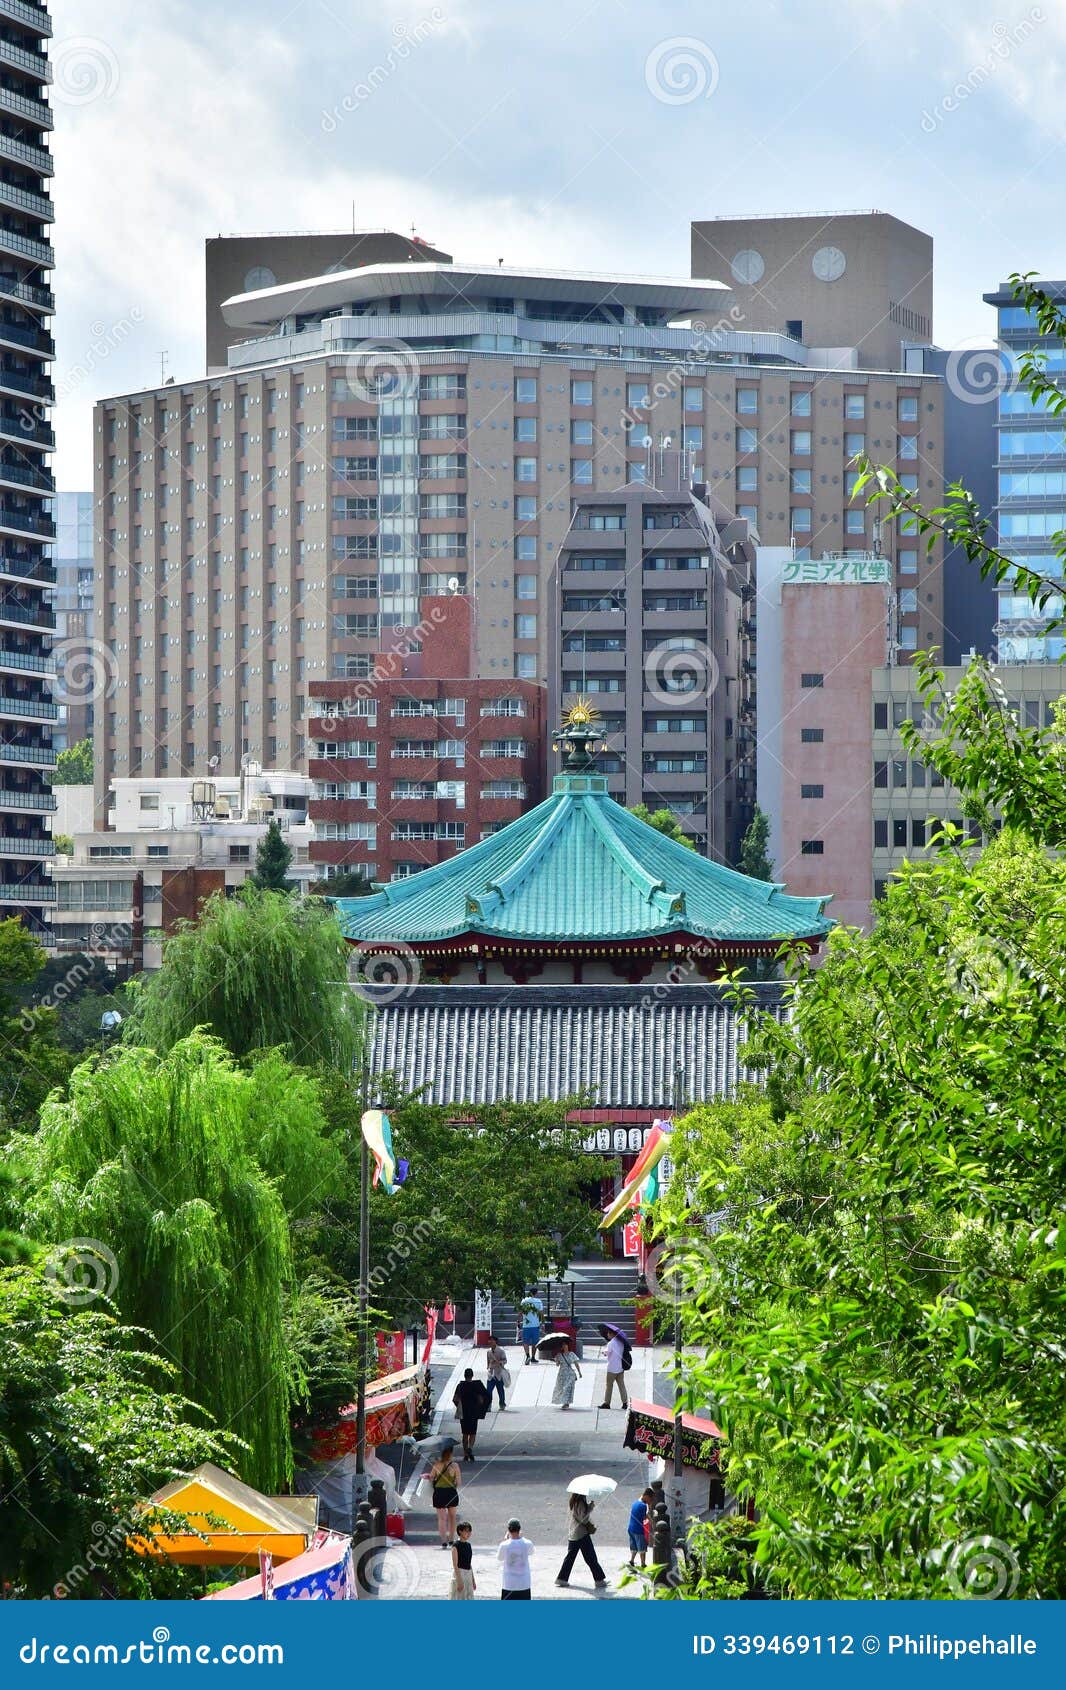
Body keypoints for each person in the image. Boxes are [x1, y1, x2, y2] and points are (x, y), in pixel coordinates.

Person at [555, 1492, 607, 1589]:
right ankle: (599, 1580)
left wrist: (587, 1506)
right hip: (581, 1534)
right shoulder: (580, 1503)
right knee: (591, 1557)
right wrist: (590, 1508)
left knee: (570, 1558)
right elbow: (583, 1519)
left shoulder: (573, 1501)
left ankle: (562, 1578)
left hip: (573, 1533)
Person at [429, 1443, 462, 1548]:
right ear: (451, 1453)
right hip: (451, 1492)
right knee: (452, 1518)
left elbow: (431, 1478)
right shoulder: (455, 1466)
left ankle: (443, 1541)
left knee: (441, 1518)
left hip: (439, 1493)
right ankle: (451, 1539)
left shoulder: (436, 1465)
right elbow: (459, 1482)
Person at [453, 1367, 489, 1460]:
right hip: (473, 1412)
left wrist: (459, 1406)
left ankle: (465, 1454)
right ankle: (470, 1448)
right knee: (473, 1433)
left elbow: (455, 1399)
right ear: (472, 1376)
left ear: (464, 1376)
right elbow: (482, 1400)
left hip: (464, 1413)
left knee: (465, 1433)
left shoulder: (460, 1386)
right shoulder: (477, 1386)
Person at [497, 1518, 535, 1599]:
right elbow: (532, 1552)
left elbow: (500, 1558)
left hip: (509, 1583)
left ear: (508, 1530)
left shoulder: (504, 1545)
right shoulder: (528, 1543)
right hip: (524, 1583)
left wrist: (506, 1540)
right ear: (519, 1529)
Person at [599, 1328, 631, 1408]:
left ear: (612, 1334)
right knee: (621, 1385)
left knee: (609, 1386)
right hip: (620, 1368)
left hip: (612, 1368)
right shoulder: (621, 1342)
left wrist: (603, 1351)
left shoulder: (611, 1343)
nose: (607, 1335)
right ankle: (625, 1403)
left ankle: (607, 1403)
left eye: (608, 1333)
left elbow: (606, 1353)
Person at [628, 1488, 654, 1569]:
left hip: (630, 1528)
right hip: (638, 1529)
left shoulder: (635, 1502)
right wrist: (649, 1508)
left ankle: (631, 1560)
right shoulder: (643, 1506)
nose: (651, 1501)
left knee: (634, 1546)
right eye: (651, 1499)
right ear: (646, 1496)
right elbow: (643, 1517)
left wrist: (649, 1519)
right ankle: (643, 1564)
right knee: (642, 1547)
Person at [550, 1339, 581, 1409]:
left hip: (570, 1374)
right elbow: (557, 1365)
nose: (564, 1346)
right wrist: (556, 1360)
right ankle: (564, 1402)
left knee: (568, 1388)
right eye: (563, 1345)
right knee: (562, 1388)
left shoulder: (572, 1354)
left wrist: (579, 1372)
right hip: (562, 1374)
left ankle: (566, 1403)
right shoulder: (559, 1355)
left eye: (565, 1344)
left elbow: (576, 1363)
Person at [451, 1520, 476, 1599]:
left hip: (468, 1573)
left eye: (469, 1531)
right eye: (466, 1531)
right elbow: (455, 1564)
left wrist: (473, 1580)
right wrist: (459, 1580)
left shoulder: (468, 1545)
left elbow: (469, 1563)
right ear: (460, 1531)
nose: (468, 1533)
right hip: (460, 1574)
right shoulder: (456, 1545)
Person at [485, 1338, 508, 1411]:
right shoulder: (488, 1352)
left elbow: (505, 1360)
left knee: (500, 1390)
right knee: (488, 1390)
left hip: (498, 1373)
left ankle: (502, 1404)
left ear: (495, 1341)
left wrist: (500, 1362)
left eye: (492, 1340)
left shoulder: (501, 1351)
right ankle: (488, 1405)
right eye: (489, 1340)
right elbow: (488, 1361)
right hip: (491, 1374)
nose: (490, 1342)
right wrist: (488, 1367)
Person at [520, 1293, 543, 1364]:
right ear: (536, 1293)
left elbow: (520, 1312)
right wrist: (542, 1322)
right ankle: (533, 1357)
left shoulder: (523, 1301)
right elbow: (541, 1313)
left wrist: (518, 1320)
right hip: (535, 1325)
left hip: (526, 1325)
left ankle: (527, 1356)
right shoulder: (538, 1301)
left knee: (525, 1342)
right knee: (535, 1342)